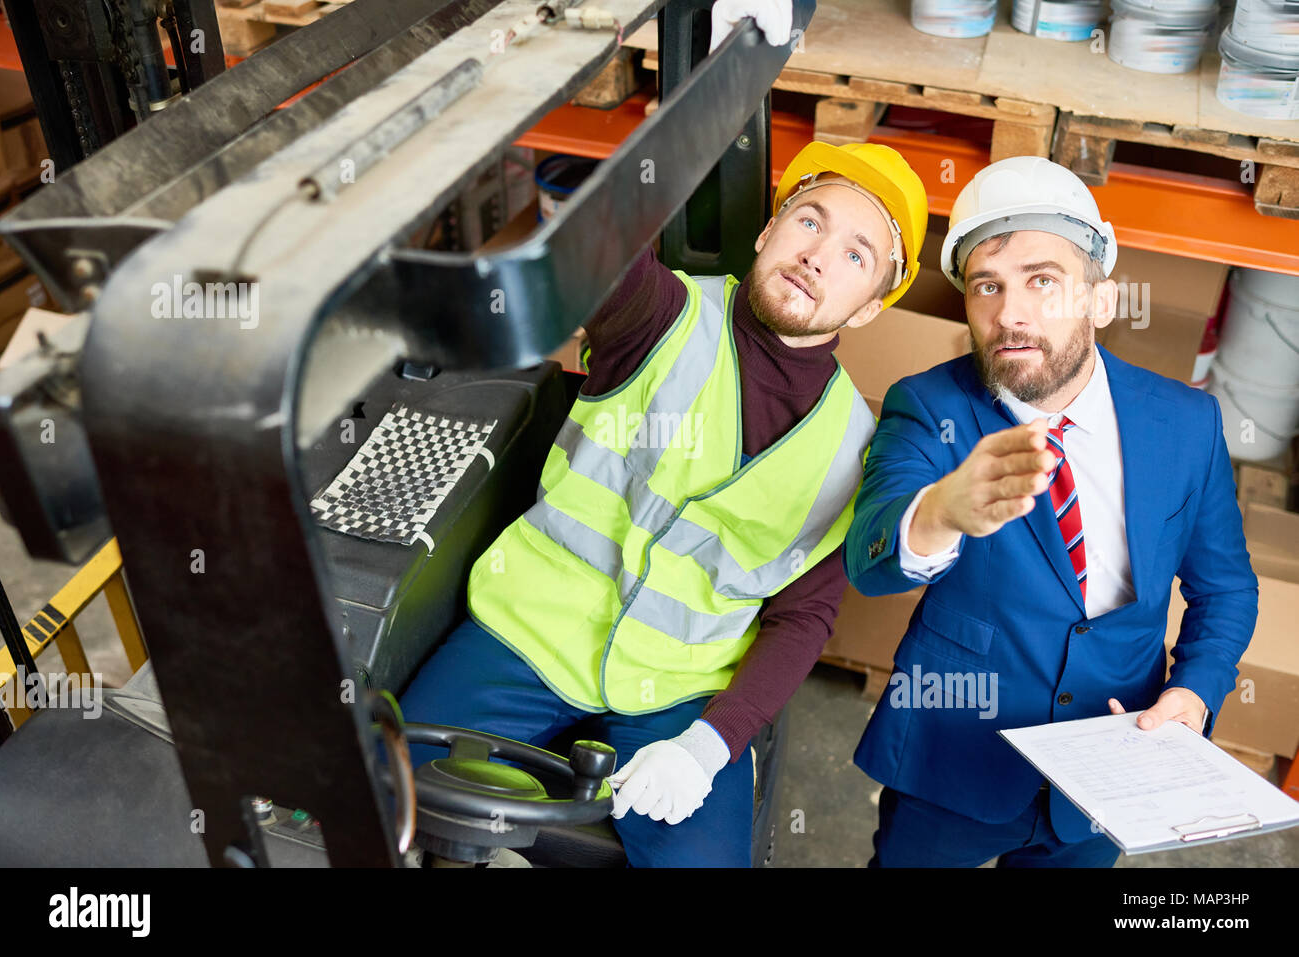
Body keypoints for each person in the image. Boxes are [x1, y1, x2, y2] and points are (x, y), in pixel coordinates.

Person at [398, 138, 929, 866]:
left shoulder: (855, 451)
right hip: (526, 637)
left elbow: (801, 619)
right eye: (809, 221)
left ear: (869, 308)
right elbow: (592, 242)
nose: (817, 255)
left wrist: (710, 746)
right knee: (377, 799)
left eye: (856, 255)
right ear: (765, 231)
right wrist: (706, 94)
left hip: (678, 692)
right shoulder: (661, 316)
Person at [843, 155, 1259, 868]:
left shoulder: (1187, 424)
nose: (1011, 312)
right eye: (987, 287)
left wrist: (1193, 692)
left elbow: (1225, 589)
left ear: (1101, 300)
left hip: (1106, 766)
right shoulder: (930, 406)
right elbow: (870, 558)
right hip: (955, 759)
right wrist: (941, 509)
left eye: (1043, 280)